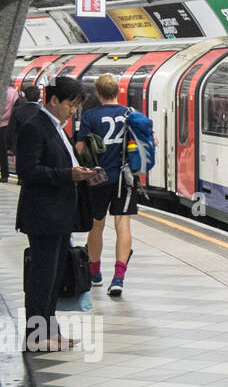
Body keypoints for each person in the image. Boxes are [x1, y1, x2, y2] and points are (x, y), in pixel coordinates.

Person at [15, 76, 97, 351]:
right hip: (43, 216)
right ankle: (36, 337)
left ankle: (51, 331)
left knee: (53, 278)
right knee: (42, 279)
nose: (73, 111)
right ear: (53, 100)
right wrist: (68, 175)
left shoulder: (56, 126)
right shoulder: (35, 127)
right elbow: (28, 171)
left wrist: (82, 174)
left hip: (59, 215)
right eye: (70, 105)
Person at [75, 74, 137, 296]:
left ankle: (95, 274)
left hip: (97, 178)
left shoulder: (90, 116)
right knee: (123, 224)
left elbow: (81, 148)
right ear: (118, 91)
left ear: (99, 93)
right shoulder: (130, 114)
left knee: (97, 224)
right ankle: (119, 278)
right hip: (125, 179)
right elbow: (152, 140)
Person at [9, 85, 42, 175]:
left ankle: (20, 178)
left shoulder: (17, 111)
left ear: (25, 96)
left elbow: (11, 129)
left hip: (20, 144)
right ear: (39, 97)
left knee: (21, 166)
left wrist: (10, 145)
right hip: (37, 144)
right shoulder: (42, 111)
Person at [1, 81, 18, 182]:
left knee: (2, 152)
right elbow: (15, 107)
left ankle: (4, 175)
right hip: (7, 125)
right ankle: (5, 175)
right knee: (6, 151)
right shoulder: (13, 92)